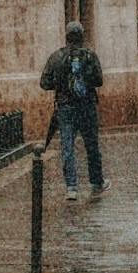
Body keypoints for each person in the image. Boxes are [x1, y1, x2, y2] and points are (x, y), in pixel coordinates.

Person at [39, 21, 105, 199]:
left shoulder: (56, 57)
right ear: (82, 36)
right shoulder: (90, 56)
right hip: (86, 106)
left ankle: (71, 187)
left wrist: (61, 84)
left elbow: (44, 83)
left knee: (67, 146)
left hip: (65, 107)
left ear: (66, 36)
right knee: (91, 145)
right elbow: (99, 80)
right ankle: (97, 181)